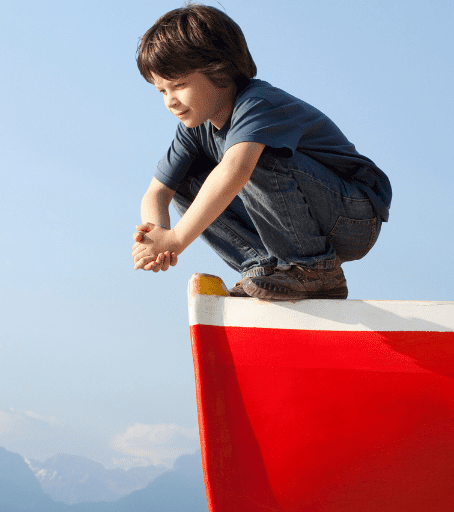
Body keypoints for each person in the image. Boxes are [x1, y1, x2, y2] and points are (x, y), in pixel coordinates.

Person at [130, 4, 391, 300]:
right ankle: (263, 266)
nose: (170, 101)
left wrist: (176, 239)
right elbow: (157, 193)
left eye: (179, 85)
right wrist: (156, 235)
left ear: (220, 70)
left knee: (248, 159)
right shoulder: (195, 129)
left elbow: (235, 172)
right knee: (186, 182)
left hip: (353, 216)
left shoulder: (257, 104)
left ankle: (313, 268)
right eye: (162, 91)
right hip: (304, 219)